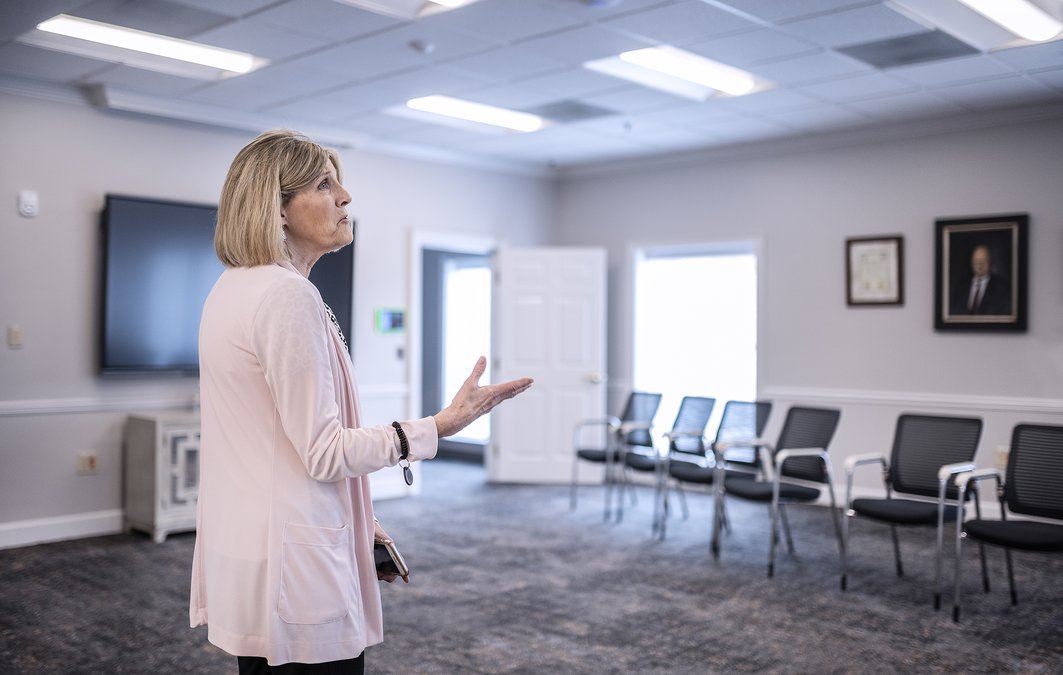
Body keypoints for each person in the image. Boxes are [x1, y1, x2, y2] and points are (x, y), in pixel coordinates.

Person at [189, 129, 533, 674]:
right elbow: (324, 451)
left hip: (255, 551)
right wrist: (438, 426)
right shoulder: (286, 296)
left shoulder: (233, 286)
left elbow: (272, 441)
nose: (346, 197)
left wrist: (354, 514)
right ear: (277, 209)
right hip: (293, 571)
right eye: (325, 185)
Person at [951, 244, 1011, 316]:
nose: (980, 264)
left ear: (990, 262)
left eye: (983, 260)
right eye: (976, 260)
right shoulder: (962, 286)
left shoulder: (1002, 288)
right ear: (971, 263)